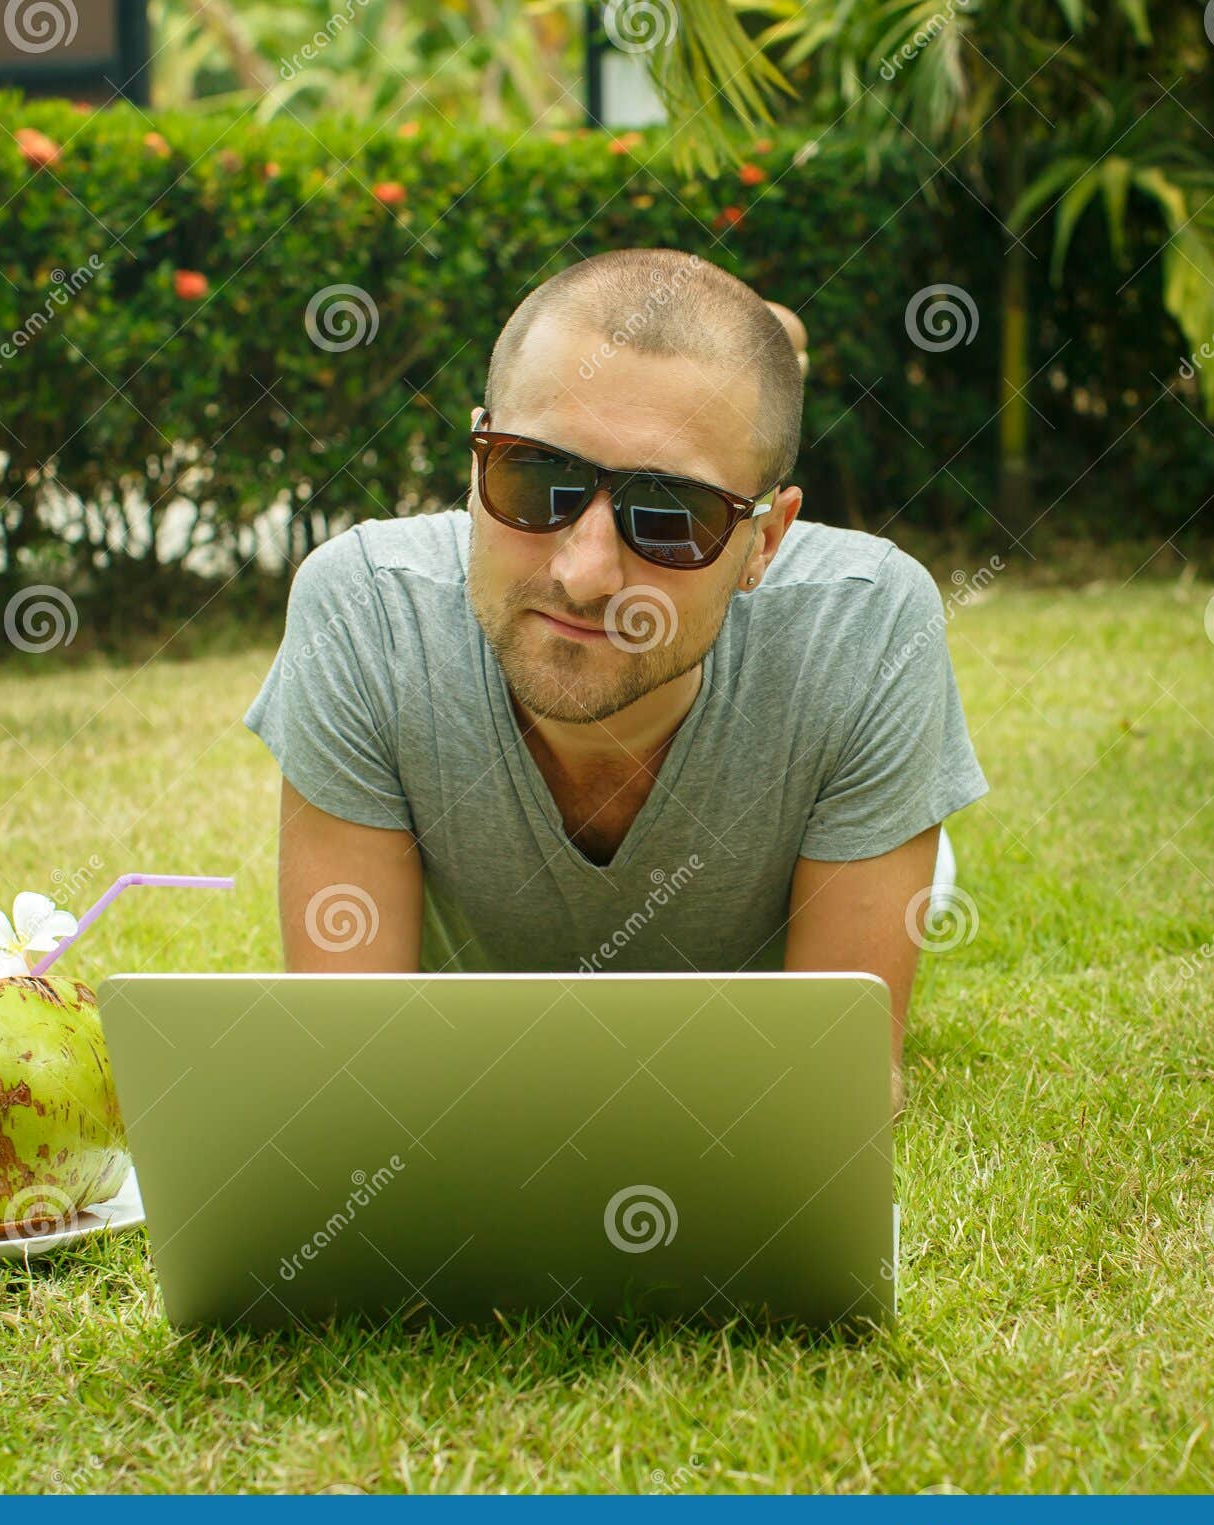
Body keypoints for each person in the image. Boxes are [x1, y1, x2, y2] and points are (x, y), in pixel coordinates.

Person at [244, 248, 988, 1104]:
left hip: (818, 821)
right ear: (475, 459)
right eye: (534, 477)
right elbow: (349, 1063)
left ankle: (903, 840)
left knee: (913, 873)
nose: (584, 573)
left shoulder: (865, 624)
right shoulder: (365, 610)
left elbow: (836, 1091)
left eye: (669, 513)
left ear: (766, 542)